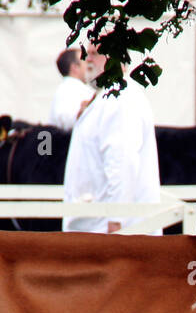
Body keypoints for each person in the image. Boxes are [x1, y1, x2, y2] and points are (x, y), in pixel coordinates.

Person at [62, 41, 161, 234]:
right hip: (93, 230)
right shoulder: (103, 97)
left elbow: (122, 162)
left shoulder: (120, 98)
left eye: (95, 53)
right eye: (86, 53)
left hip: (112, 234)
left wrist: (116, 220)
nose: (87, 59)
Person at [49, 48, 92, 132]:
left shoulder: (68, 88)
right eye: (85, 61)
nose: (89, 65)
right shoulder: (70, 89)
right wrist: (82, 113)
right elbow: (65, 119)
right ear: (75, 67)